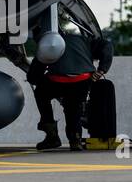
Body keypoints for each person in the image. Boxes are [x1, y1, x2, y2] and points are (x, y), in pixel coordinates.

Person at [27, 23, 114, 151]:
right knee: (73, 109)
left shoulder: (47, 46)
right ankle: (75, 140)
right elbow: (107, 45)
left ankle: (52, 135)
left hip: (58, 81)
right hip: (83, 81)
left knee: (41, 93)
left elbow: (33, 77)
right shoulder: (81, 39)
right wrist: (102, 69)